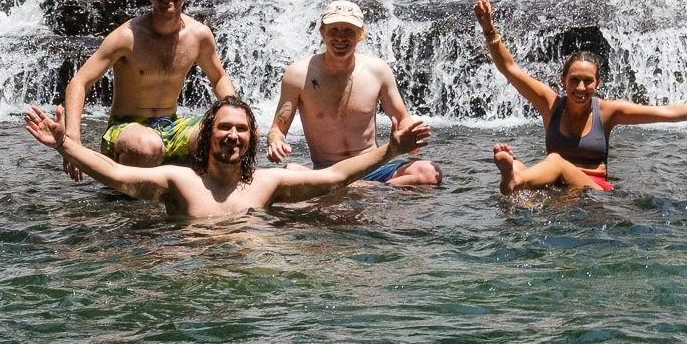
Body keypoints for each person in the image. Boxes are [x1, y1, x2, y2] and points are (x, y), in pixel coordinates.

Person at [473, 0, 687, 193]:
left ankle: (515, 180)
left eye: (588, 82)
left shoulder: (606, 112)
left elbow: (666, 113)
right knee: (519, 167)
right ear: (563, 81)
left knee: (553, 162)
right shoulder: (550, 104)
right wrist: (489, 28)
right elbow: (510, 69)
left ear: (598, 83)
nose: (581, 88)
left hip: (593, 190)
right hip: (559, 189)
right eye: (574, 81)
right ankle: (516, 178)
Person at [24, 95, 430, 218]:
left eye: (241, 129)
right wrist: (65, 145)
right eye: (223, 128)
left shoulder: (268, 183)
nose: (232, 136)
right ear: (208, 135)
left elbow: (335, 177)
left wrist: (390, 150)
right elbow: (116, 174)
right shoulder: (180, 182)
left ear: (251, 139)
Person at [58, 0, 235, 176]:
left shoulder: (199, 36)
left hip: (171, 126)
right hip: (126, 129)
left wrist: (236, 115)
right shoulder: (127, 36)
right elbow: (78, 83)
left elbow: (219, 77)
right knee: (148, 146)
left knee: (223, 135)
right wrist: (72, 139)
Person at [264, 0, 441, 187]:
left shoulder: (377, 71)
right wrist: (275, 142)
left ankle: (355, 188)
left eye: (348, 31)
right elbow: (277, 129)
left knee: (428, 172)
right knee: (288, 171)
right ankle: (374, 191)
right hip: (326, 172)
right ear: (322, 32)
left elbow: (402, 118)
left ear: (360, 34)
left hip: (372, 167)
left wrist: (409, 136)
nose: (340, 38)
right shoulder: (298, 74)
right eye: (333, 30)